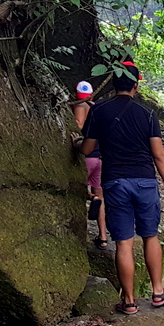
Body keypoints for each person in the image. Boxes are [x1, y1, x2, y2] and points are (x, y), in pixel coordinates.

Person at [80, 62, 164, 314]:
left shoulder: (99, 110)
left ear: (114, 84)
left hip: (114, 181)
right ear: (136, 85)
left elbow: (87, 149)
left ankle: (129, 302)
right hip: (144, 181)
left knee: (123, 243)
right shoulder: (147, 114)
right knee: (150, 236)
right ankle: (158, 292)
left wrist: (76, 143)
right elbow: (158, 156)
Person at [71, 81, 108, 247]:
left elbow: (78, 124)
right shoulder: (98, 107)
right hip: (101, 157)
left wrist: (75, 138)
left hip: (88, 157)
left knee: (79, 192)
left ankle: (78, 237)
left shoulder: (81, 105)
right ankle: (103, 237)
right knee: (100, 196)